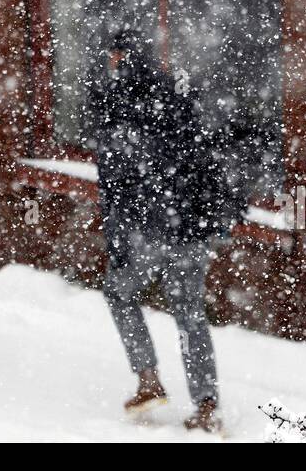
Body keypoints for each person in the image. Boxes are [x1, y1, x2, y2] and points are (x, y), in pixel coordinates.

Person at [91, 28, 227, 433]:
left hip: (148, 229)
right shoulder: (174, 96)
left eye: (114, 56)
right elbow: (205, 157)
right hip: (188, 226)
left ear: (119, 58)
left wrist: (117, 243)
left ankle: (149, 381)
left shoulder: (119, 108)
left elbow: (114, 185)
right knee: (190, 315)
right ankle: (206, 406)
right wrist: (207, 220)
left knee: (119, 291)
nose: (111, 63)